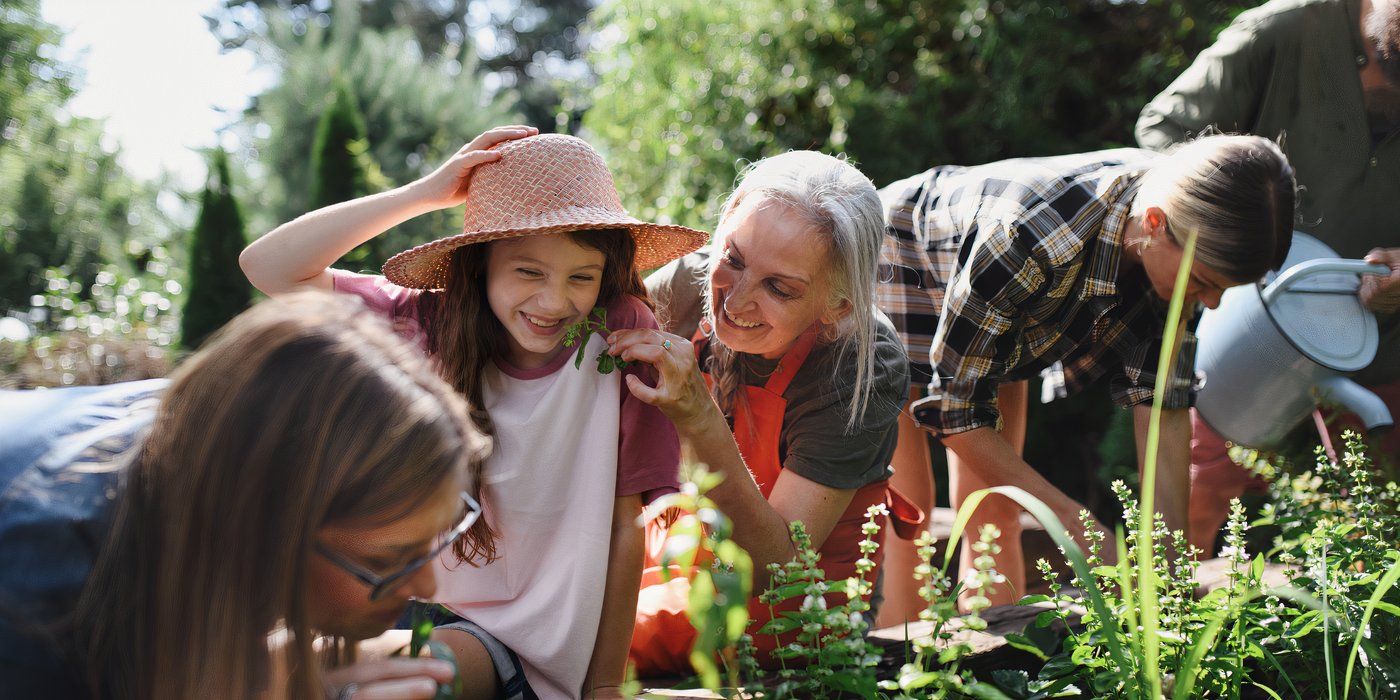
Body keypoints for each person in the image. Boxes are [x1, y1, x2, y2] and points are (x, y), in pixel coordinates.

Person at [240, 128, 709, 698]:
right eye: (528, 272)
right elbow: (270, 267)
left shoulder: (621, 334)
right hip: (405, 597)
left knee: (353, 677)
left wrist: (605, 685)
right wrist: (424, 193)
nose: (554, 301)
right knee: (259, 662)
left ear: (604, 275)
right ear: (480, 264)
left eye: (581, 277)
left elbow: (624, 522)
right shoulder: (427, 322)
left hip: (517, 642)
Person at [872, 134, 1296, 614]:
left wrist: (1171, 573)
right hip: (902, 256)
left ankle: (989, 650)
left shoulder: (1182, 228)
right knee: (909, 514)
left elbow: (1162, 406)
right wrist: (1079, 527)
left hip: (999, 311)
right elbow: (954, 415)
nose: (1212, 303)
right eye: (1203, 282)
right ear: (1154, 223)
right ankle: (903, 652)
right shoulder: (1030, 237)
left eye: (1223, 288)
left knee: (996, 512)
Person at [0, 291, 489, 700]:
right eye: (388, 560)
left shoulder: (225, 433)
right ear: (267, 533)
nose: (428, 589)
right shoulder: (41, 600)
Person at [605, 151, 918, 674]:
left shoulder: (861, 363)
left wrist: (698, 416)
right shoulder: (689, 285)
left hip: (789, 613)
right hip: (670, 562)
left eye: (779, 288)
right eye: (733, 258)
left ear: (838, 305)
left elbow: (779, 570)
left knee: (573, 633)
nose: (734, 302)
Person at [1136, 0, 1400, 552]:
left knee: (1375, 526)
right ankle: (1166, 608)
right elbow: (1161, 135)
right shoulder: (1280, 31)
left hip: (1382, 346)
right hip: (1242, 330)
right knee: (1194, 501)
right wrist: (1230, 242)